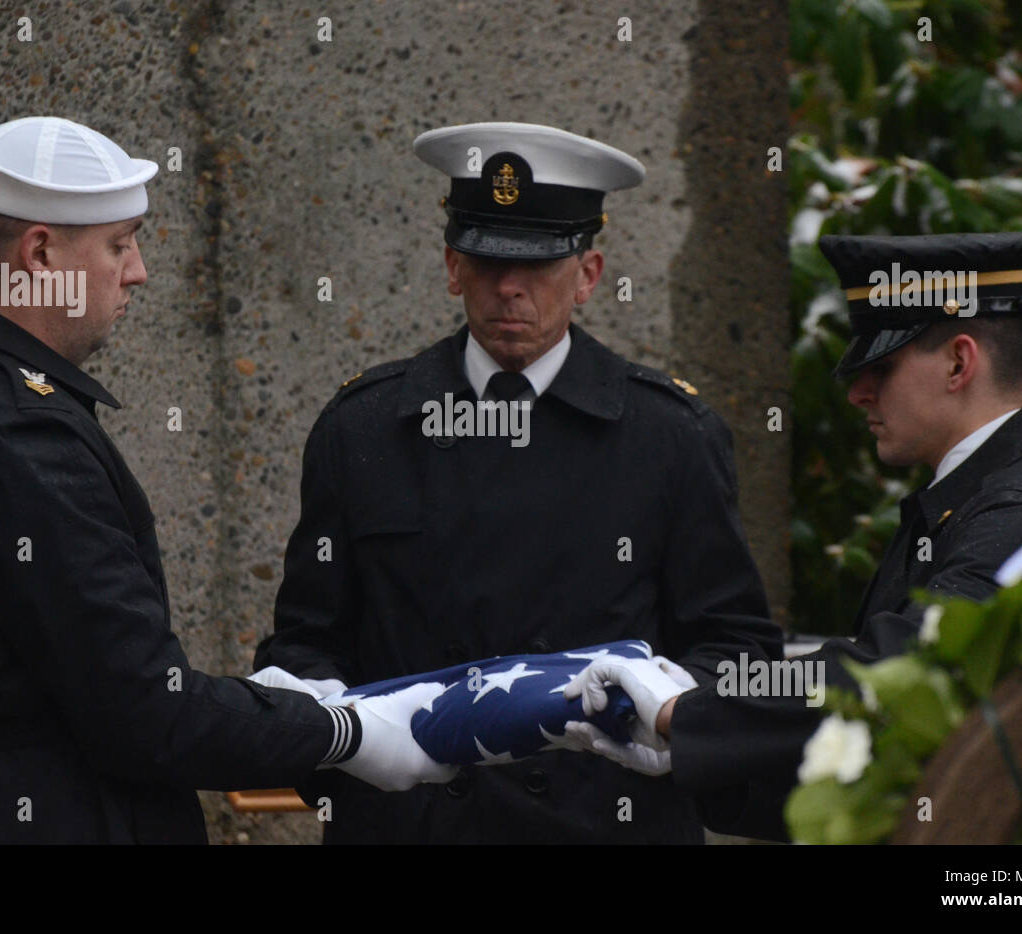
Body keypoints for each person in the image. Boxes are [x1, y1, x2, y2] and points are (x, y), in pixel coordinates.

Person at [0, 116, 449, 844]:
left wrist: (265, 706)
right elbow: (143, 712)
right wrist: (343, 732)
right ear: (40, 253)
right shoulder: (16, 429)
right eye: (120, 244)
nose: (139, 271)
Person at [252, 122, 783, 844]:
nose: (509, 288)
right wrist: (351, 750)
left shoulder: (669, 436)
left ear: (589, 274)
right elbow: (304, 645)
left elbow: (736, 648)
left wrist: (662, 717)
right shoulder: (365, 428)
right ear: (451, 267)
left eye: (536, 267)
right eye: (487, 261)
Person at [564, 230, 1022, 840]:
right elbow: (887, 744)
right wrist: (696, 747)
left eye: (881, 367)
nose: (856, 392)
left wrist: (680, 713)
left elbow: (892, 670)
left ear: (959, 362)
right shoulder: (980, 494)